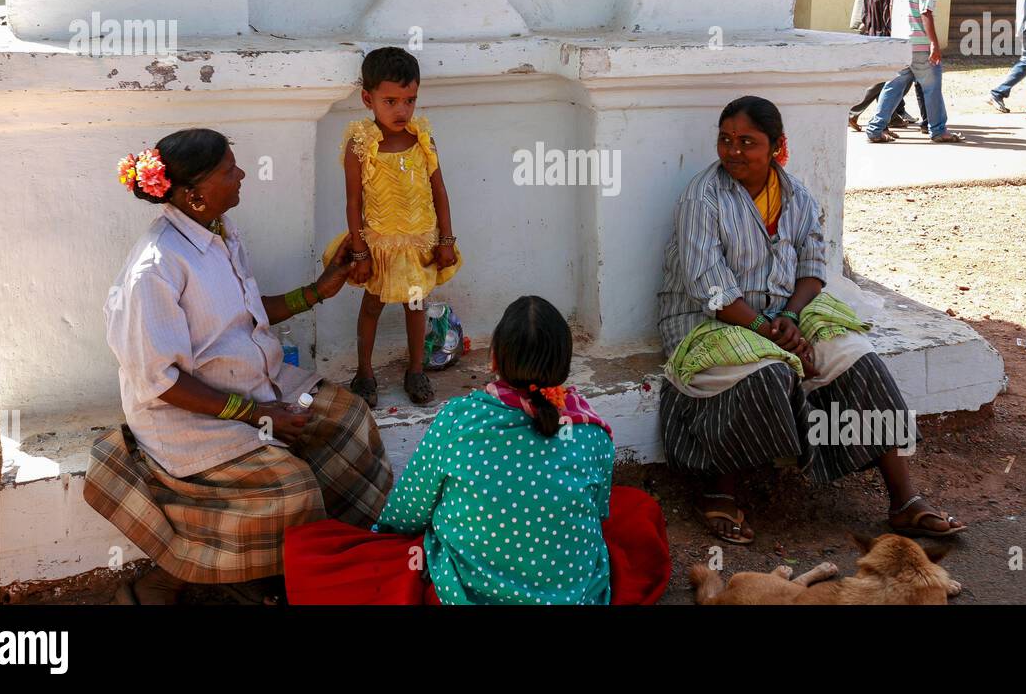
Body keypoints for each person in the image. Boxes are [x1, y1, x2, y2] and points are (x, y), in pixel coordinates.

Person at [84, 128, 393, 605]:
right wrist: (259, 416)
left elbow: (243, 314)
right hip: (188, 419)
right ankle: (246, 581)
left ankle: (352, 553)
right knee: (291, 488)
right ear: (195, 194)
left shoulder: (219, 231)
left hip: (256, 385)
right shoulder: (155, 269)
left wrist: (317, 290)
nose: (242, 174)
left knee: (348, 419)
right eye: (230, 169)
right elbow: (160, 381)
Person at [658, 96, 966, 545]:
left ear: (776, 146)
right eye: (725, 140)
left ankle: (903, 498)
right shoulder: (702, 199)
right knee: (764, 371)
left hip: (784, 312)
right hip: (708, 320)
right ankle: (720, 490)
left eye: (748, 142)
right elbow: (713, 290)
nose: (733, 151)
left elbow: (813, 267)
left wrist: (788, 317)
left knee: (856, 357)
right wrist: (771, 331)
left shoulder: (797, 196)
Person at [283, 295, 671, 605]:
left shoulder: (459, 419)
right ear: (564, 366)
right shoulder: (592, 433)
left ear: (495, 360)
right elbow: (600, 513)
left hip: (467, 593)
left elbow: (408, 512)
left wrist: (382, 536)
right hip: (573, 595)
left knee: (318, 554)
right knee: (637, 510)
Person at [324, 46, 462, 406]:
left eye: (409, 100)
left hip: (419, 243)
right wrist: (359, 250)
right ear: (368, 99)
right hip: (378, 246)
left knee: (415, 305)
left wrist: (446, 239)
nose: (402, 110)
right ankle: (364, 373)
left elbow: (439, 191)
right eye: (390, 101)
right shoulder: (360, 145)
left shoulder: (422, 139)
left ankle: (415, 369)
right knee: (372, 305)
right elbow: (353, 202)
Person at [866, 0, 963, 143]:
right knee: (932, 87)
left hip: (902, 40)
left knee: (893, 86)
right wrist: (934, 44)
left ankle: (875, 129)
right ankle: (938, 130)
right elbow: (926, 13)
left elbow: (892, 6)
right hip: (919, 43)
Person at [848, 0, 925, 132]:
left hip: (874, 35)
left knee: (888, 79)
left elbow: (866, 13)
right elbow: (889, 15)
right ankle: (855, 113)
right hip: (887, 38)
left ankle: (886, 119)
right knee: (888, 80)